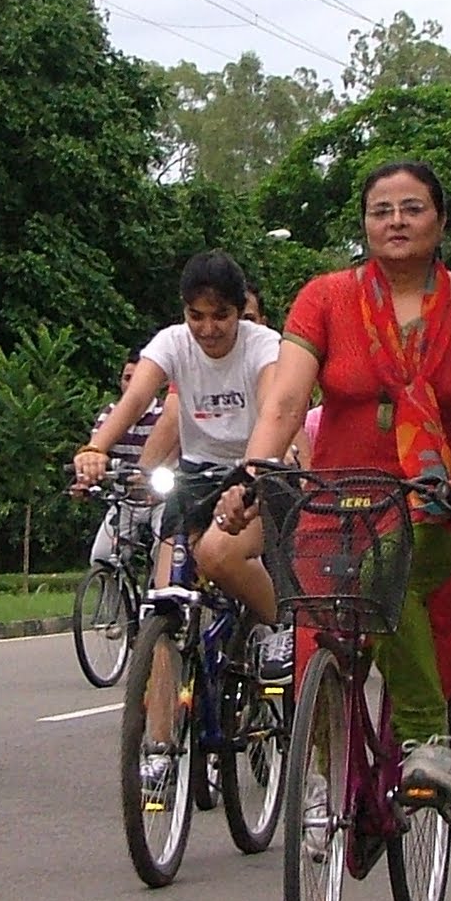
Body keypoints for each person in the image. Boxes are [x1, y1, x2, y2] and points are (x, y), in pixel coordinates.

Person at [217, 160, 451, 802]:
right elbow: (283, 401)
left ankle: (426, 736)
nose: (396, 221)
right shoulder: (325, 297)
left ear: (441, 220)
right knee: (314, 643)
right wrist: (252, 474)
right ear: (364, 223)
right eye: (381, 210)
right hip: (337, 501)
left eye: (412, 207)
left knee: (383, 580)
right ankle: (320, 780)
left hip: (436, 499)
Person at [74, 251, 286, 784]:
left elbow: (274, 405)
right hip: (196, 477)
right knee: (164, 603)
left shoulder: (265, 347)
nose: (208, 329)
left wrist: (255, 473)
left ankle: (279, 625)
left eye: (220, 316)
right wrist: (97, 447)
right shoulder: (171, 343)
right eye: (197, 316)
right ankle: (161, 747)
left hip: (257, 472)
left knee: (221, 553)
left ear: (240, 312)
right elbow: (139, 396)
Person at [85, 349, 165, 569]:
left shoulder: (165, 413)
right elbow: (95, 454)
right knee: (102, 558)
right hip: (125, 500)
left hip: (161, 501)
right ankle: (112, 603)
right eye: (126, 378)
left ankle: (161, 599)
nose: (131, 384)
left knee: (165, 552)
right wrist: (85, 480)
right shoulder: (110, 414)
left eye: (137, 378)